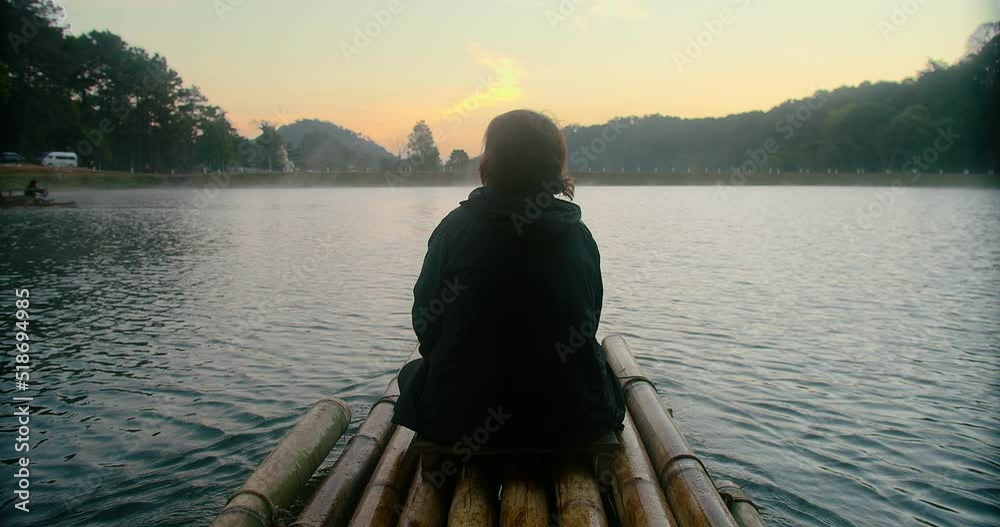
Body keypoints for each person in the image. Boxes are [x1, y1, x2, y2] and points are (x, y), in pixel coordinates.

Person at [392, 109, 625, 448]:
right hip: (568, 417)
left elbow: (426, 322)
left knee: (413, 376)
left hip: (462, 419)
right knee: (605, 376)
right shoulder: (577, 235)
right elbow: (588, 318)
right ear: (554, 164)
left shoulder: (454, 230)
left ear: (492, 160)